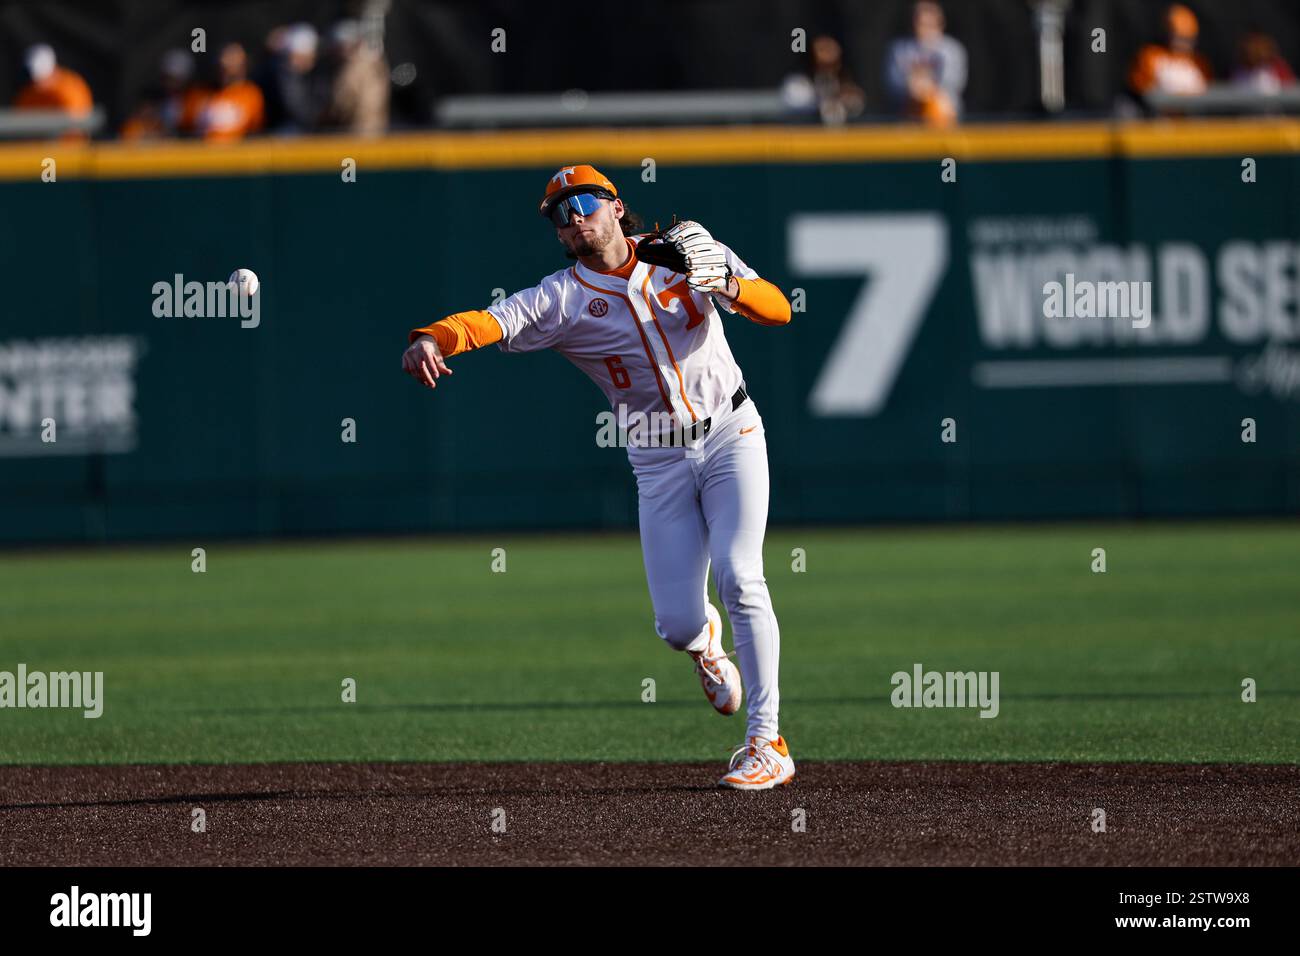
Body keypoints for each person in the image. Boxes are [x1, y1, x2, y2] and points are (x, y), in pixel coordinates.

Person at [399, 165, 796, 789]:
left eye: (584, 202)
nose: (574, 217)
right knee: (677, 625)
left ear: (615, 206)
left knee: (742, 576)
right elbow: (489, 320)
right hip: (656, 459)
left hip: (731, 433)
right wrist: (432, 338)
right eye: (560, 213)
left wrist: (724, 283)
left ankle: (766, 740)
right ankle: (705, 645)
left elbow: (778, 311)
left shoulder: (688, 250)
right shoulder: (562, 298)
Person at [885, 1, 967, 126]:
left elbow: (955, 83)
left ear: (940, 23)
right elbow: (893, 83)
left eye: (929, 24)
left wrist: (928, 88)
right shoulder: (899, 49)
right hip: (907, 117)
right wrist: (912, 87)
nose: (923, 28)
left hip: (945, 119)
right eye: (920, 23)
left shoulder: (951, 49)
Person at [1128, 4, 1213, 100]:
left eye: (1187, 39)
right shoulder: (1152, 56)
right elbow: (1140, 88)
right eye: (1179, 38)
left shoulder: (1198, 62)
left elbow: (1208, 93)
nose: (1183, 44)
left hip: (1192, 113)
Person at [321, 20, 389, 136]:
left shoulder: (357, 67)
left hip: (359, 131)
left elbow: (345, 103)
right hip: (371, 128)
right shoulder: (371, 62)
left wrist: (326, 116)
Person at [781, 34, 865, 125]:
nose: (828, 54)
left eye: (833, 64)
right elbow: (798, 106)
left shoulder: (844, 83)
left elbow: (857, 105)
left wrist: (845, 98)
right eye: (823, 50)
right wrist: (825, 105)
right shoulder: (797, 84)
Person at [14, 44, 93, 138]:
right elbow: (20, 126)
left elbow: (74, 130)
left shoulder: (68, 91)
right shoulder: (29, 92)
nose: (36, 82)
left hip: (68, 149)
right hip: (35, 149)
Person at [196, 43, 264, 142]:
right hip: (202, 153)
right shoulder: (202, 94)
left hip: (237, 154)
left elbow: (256, 131)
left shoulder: (251, 94)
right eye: (224, 60)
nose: (226, 64)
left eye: (233, 61)